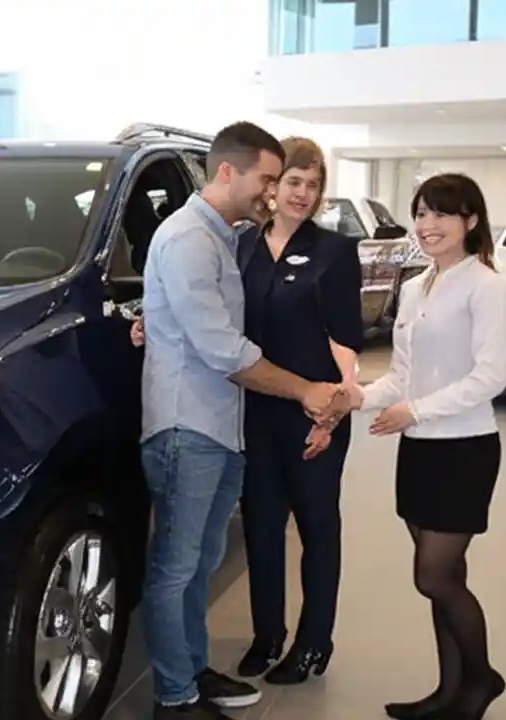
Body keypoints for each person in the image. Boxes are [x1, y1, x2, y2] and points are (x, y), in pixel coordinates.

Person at [136, 121, 348, 720]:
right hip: (188, 428)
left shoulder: (224, 238)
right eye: (271, 179)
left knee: (200, 565)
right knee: (176, 569)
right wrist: (305, 389)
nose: (276, 192)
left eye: (295, 182)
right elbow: (223, 347)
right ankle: (174, 697)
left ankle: (192, 671)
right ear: (228, 171)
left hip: (222, 428)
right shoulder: (190, 240)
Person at [343, 172, 506, 720]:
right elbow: (402, 376)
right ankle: (449, 691)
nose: (427, 225)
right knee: (447, 579)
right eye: (420, 213)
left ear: (470, 220)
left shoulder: (486, 285)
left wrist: (414, 411)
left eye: (441, 213)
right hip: (419, 449)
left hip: (464, 448)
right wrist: (356, 398)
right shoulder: (416, 287)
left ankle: (482, 679)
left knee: (432, 575)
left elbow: (490, 377)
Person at [233, 137, 364, 685]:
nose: (302, 194)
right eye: (293, 181)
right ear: (273, 186)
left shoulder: (335, 252)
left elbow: (347, 340)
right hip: (255, 410)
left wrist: (334, 412)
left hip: (315, 413)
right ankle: (267, 636)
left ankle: (314, 643)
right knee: (262, 529)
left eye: (313, 185)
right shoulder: (241, 246)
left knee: (317, 527)